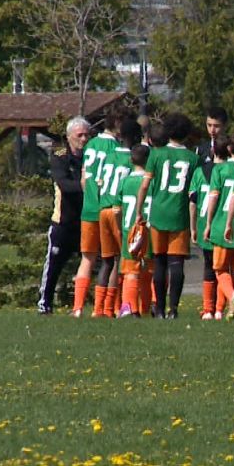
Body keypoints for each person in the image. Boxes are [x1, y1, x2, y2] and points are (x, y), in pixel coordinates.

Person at [134, 112, 200, 319]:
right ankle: (174, 309)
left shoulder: (157, 154)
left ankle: (160, 309)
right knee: (177, 263)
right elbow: (193, 191)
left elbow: (145, 185)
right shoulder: (193, 158)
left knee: (160, 262)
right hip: (179, 214)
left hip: (158, 213)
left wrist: (138, 211)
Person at [71, 109, 122, 317]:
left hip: (89, 208)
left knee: (87, 258)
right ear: (118, 126)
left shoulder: (90, 145)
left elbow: (84, 180)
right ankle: (110, 307)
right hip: (107, 208)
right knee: (113, 259)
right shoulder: (116, 148)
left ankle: (78, 308)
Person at [37, 116, 89, 315]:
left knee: (92, 261)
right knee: (54, 264)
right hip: (63, 221)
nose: (84, 139)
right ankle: (45, 303)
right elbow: (64, 184)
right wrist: (84, 186)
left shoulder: (89, 156)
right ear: (69, 137)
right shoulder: (60, 155)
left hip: (84, 220)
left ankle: (84, 305)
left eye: (86, 135)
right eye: (80, 135)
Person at [93, 115, 138, 318]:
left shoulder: (110, 155)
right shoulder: (133, 159)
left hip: (103, 208)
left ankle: (98, 309)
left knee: (107, 261)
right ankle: (113, 307)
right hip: (118, 210)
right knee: (122, 259)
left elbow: (100, 181)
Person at [205, 134, 234, 319]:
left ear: (229, 150)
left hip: (223, 223)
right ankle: (222, 310)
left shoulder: (220, 169)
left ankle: (230, 299)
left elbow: (213, 197)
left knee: (220, 269)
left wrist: (208, 223)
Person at [116, 144, 152, 317]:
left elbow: (117, 209)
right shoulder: (151, 182)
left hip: (130, 231)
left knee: (131, 271)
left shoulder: (126, 181)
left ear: (131, 160)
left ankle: (129, 308)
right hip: (149, 230)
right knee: (148, 272)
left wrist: (120, 226)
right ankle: (147, 307)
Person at [188, 151, 216, 319]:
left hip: (204, 220)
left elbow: (192, 201)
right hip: (222, 223)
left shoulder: (200, 172)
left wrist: (193, 228)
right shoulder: (230, 170)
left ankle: (208, 308)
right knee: (224, 267)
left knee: (209, 265)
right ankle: (220, 307)